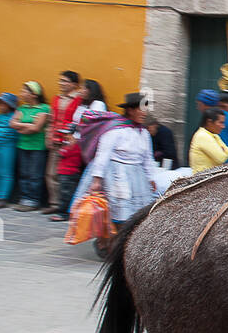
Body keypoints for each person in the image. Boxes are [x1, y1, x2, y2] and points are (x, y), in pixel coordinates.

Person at [84, 92, 158, 225]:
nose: (144, 113)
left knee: (136, 213)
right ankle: (111, 241)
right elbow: (103, 154)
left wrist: (151, 177)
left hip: (137, 176)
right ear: (130, 110)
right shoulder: (115, 130)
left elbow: (147, 158)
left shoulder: (144, 133)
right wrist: (96, 179)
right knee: (118, 210)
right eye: (141, 109)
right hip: (117, 174)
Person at [43, 70, 82, 214]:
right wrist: (49, 135)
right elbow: (52, 119)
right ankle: (54, 203)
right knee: (51, 173)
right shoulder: (56, 99)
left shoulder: (79, 100)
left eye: (65, 81)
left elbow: (77, 120)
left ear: (74, 84)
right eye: (60, 80)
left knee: (65, 175)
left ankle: (64, 205)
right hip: (55, 139)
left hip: (69, 141)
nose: (61, 83)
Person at [8, 82, 51, 212]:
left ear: (34, 94)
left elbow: (37, 128)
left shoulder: (44, 109)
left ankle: (33, 200)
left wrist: (21, 125)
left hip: (37, 147)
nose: (21, 93)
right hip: (23, 145)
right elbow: (12, 123)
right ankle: (24, 198)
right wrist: (28, 126)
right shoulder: (22, 108)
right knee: (24, 173)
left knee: (35, 175)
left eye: (24, 91)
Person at [189, 107, 228, 173]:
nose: (223, 126)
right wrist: (224, 150)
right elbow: (221, 158)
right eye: (221, 123)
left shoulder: (214, 135)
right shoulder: (202, 136)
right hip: (202, 179)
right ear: (209, 122)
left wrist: (225, 151)